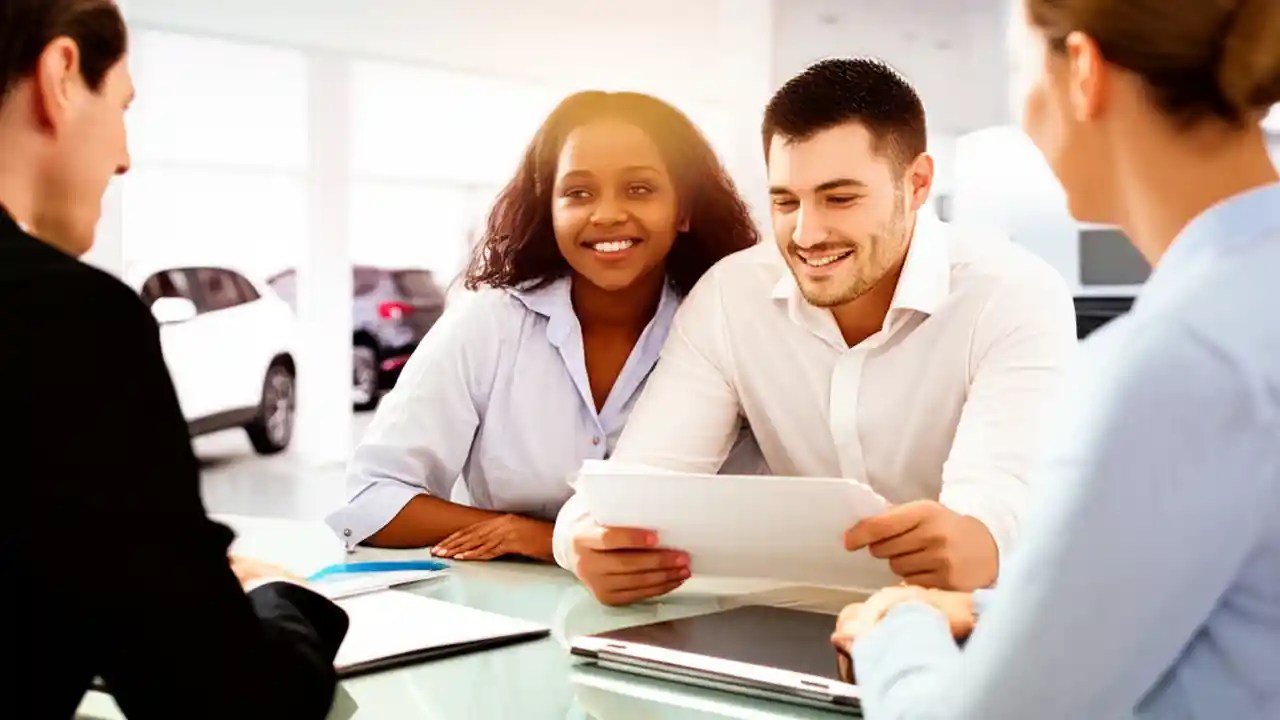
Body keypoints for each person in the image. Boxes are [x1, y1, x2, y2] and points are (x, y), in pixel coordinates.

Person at [832, 1, 1280, 718]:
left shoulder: (1172, 364)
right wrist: (994, 606)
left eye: (1020, 70)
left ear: (1082, 71)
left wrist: (893, 629)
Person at [557, 58, 1079, 606]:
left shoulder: (1012, 293)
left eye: (840, 198)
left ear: (918, 182)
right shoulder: (731, 297)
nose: (806, 233)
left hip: (970, 626)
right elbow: (637, 487)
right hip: (798, 620)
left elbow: (1001, 505)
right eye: (785, 201)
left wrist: (981, 541)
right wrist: (585, 543)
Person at [2, 2, 349, 717]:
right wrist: (283, 598)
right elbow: (227, 702)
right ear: (62, 75)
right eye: (122, 106)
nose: (124, 155)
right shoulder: (69, 317)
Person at [325, 91, 760, 562]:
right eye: (578, 193)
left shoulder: (729, 330)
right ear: (548, 209)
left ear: (684, 210)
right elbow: (371, 503)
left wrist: (542, 537)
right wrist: (542, 540)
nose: (608, 213)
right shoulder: (488, 324)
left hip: (692, 610)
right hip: (510, 616)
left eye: (639, 189)